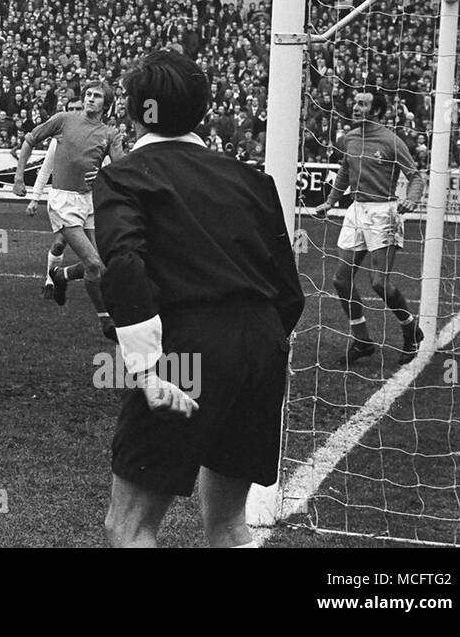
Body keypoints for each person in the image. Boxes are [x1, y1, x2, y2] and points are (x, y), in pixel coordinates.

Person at [93, 49, 304, 548]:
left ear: (132, 108)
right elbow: (288, 288)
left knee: (129, 527)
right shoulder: (254, 180)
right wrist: (256, 346)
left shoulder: (123, 175)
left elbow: (124, 265)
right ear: (204, 111)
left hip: (188, 350)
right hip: (262, 345)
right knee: (229, 525)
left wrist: (145, 368)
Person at [313, 90, 425, 365]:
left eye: (363, 104)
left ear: (376, 111)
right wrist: (330, 201)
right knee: (341, 279)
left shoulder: (390, 140)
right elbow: (344, 171)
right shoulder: (349, 138)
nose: (356, 107)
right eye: (355, 102)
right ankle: (362, 340)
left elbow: (416, 177)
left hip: (383, 213)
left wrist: (411, 200)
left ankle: (409, 328)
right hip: (356, 210)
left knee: (378, 283)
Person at [13, 80, 124, 341]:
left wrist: (106, 174)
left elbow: (121, 171)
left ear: (106, 104)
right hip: (63, 201)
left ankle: (60, 275)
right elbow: (30, 140)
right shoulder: (63, 119)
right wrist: (19, 178)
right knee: (93, 263)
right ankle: (106, 321)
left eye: (97, 96)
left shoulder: (110, 133)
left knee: (102, 266)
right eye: (88, 94)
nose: (90, 99)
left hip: (89, 202)